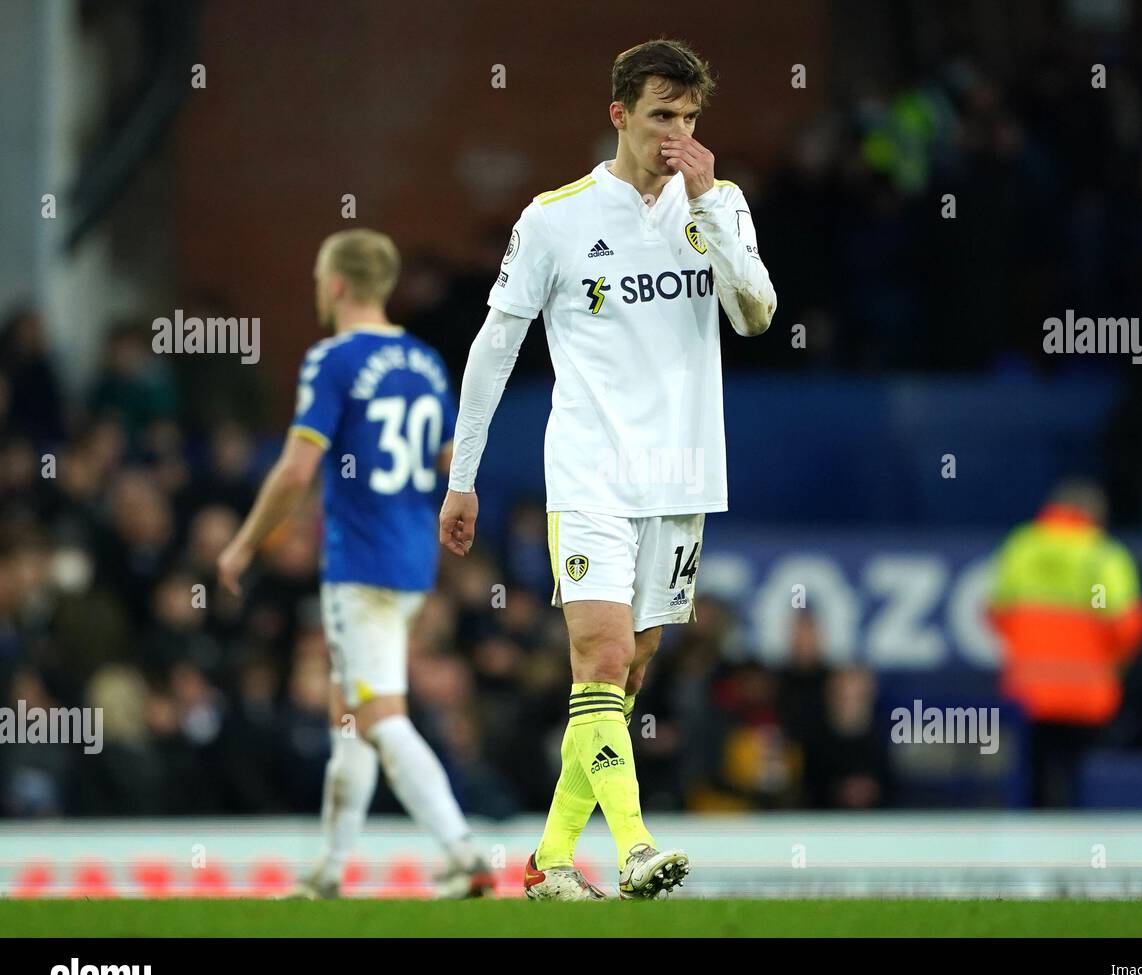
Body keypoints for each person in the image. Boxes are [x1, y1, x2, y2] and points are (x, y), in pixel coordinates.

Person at [439, 38, 776, 900]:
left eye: (691, 118)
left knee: (627, 676)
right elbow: (495, 345)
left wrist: (703, 208)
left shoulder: (720, 202)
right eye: (662, 115)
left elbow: (756, 316)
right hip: (590, 469)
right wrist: (463, 474)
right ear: (619, 113)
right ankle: (632, 848)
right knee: (601, 656)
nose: (676, 135)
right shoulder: (556, 218)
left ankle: (549, 862)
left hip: (682, 475)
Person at [218, 229, 492, 898]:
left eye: (319, 277)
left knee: (377, 715)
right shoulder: (426, 361)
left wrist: (246, 542)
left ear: (336, 283)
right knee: (350, 718)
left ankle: (463, 851)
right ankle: (331, 870)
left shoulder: (332, 360)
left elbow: (294, 470)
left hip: (360, 562)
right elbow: (448, 459)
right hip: (409, 557)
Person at [987, 478, 1142, 807]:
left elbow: (997, 612)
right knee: (1080, 788)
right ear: (1092, 512)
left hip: (1030, 692)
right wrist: (1109, 660)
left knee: (1035, 784)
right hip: (1088, 694)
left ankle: (1034, 854)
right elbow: (1127, 625)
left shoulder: (1023, 546)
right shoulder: (1103, 555)